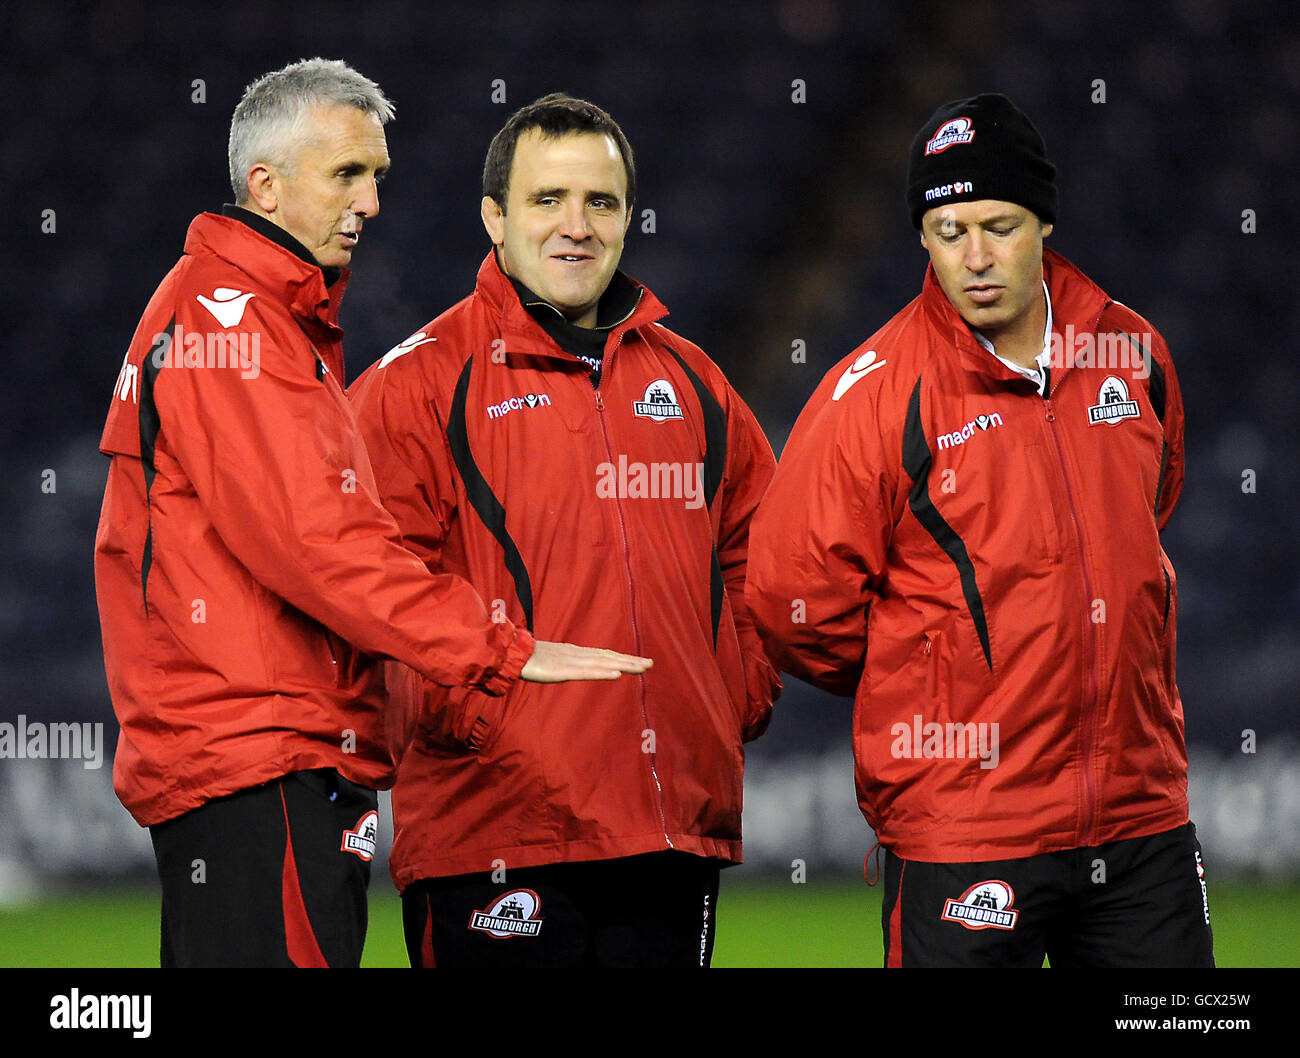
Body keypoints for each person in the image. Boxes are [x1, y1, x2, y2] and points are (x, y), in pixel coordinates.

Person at [94, 60, 649, 969]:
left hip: (271, 755)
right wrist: (498, 647)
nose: (372, 201)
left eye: (378, 175)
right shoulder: (231, 324)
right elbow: (321, 545)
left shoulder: (251, 317)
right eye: (347, 173)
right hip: (258, 753)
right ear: (264, 184)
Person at [745, 94, 1213, 968]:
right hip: (966, 828)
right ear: (922, 238)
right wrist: (930, 673)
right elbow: (789, 601)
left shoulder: (1134, 354)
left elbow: (1145, 516)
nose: (975, 256)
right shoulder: (874, 395)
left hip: (1141, 816)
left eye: (997, 225)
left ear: (1043, 221)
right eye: (947, 229)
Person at [349, 92, 780, 968]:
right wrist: (479, 718)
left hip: (669, 830)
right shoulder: (416, 387)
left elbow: (763, 556)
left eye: (601, 202)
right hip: (495, 830)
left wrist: (731, 691)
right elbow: (367, 589)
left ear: (627, 219)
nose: (575, 226)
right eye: (547, 200)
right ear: (495, 219)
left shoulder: (694, 381)